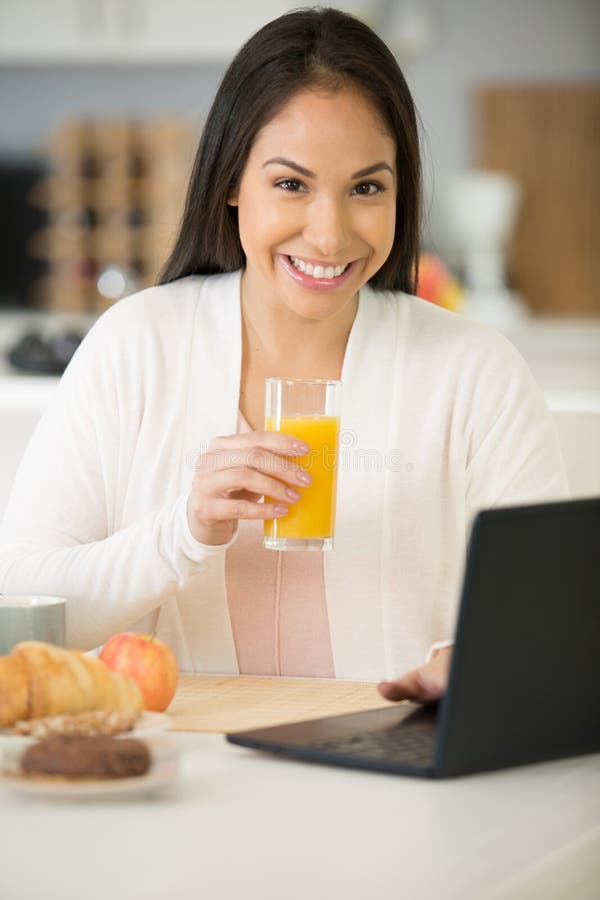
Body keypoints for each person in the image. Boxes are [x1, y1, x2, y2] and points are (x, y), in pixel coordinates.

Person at [0, 8, 568, 703]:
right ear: (232, 182)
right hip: (180, 781)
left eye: (366, 187)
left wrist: (481, 664)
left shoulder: (473, 371)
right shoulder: (137, 344)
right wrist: (183, 532)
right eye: (291, 184)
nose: (328, 236)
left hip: (389, 784)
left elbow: (552, 632)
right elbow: (21, 609)